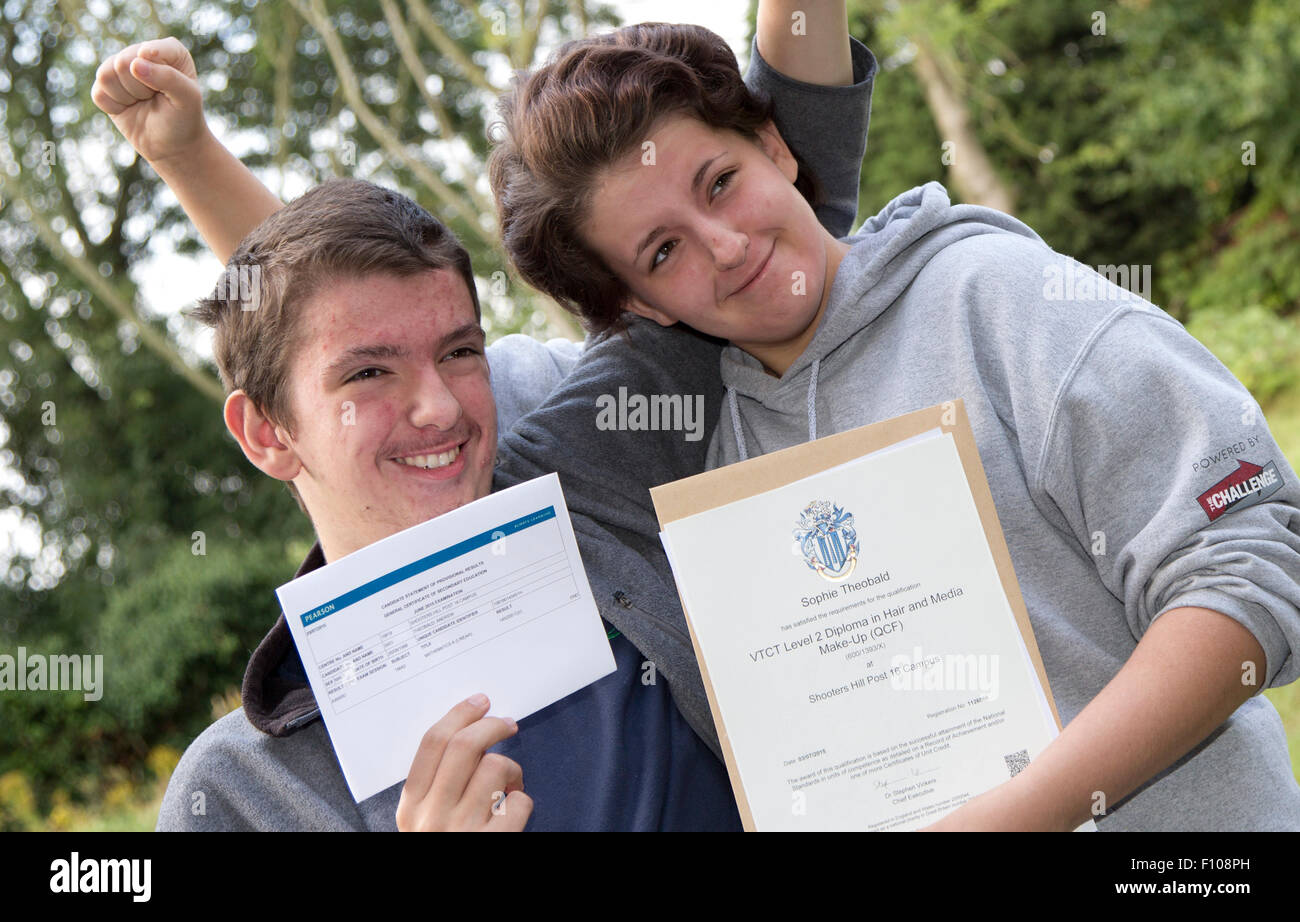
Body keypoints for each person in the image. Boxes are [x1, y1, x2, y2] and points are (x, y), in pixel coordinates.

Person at [485, 23, 1300, 831]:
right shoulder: (719, 475)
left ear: (775, 146)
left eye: (720, 182)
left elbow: (1250, 566)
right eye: (664, 251)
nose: (726, 246)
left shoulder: (998, 300)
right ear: (639, 306)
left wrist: (1018, 814)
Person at [91, 7, 878, 830]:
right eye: (370, 374)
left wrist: (189, 157)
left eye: (462, 353)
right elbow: (301, 338)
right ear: (264, 434)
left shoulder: (590, 470)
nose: (438, 407)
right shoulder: (242, 796)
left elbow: (777, 213)